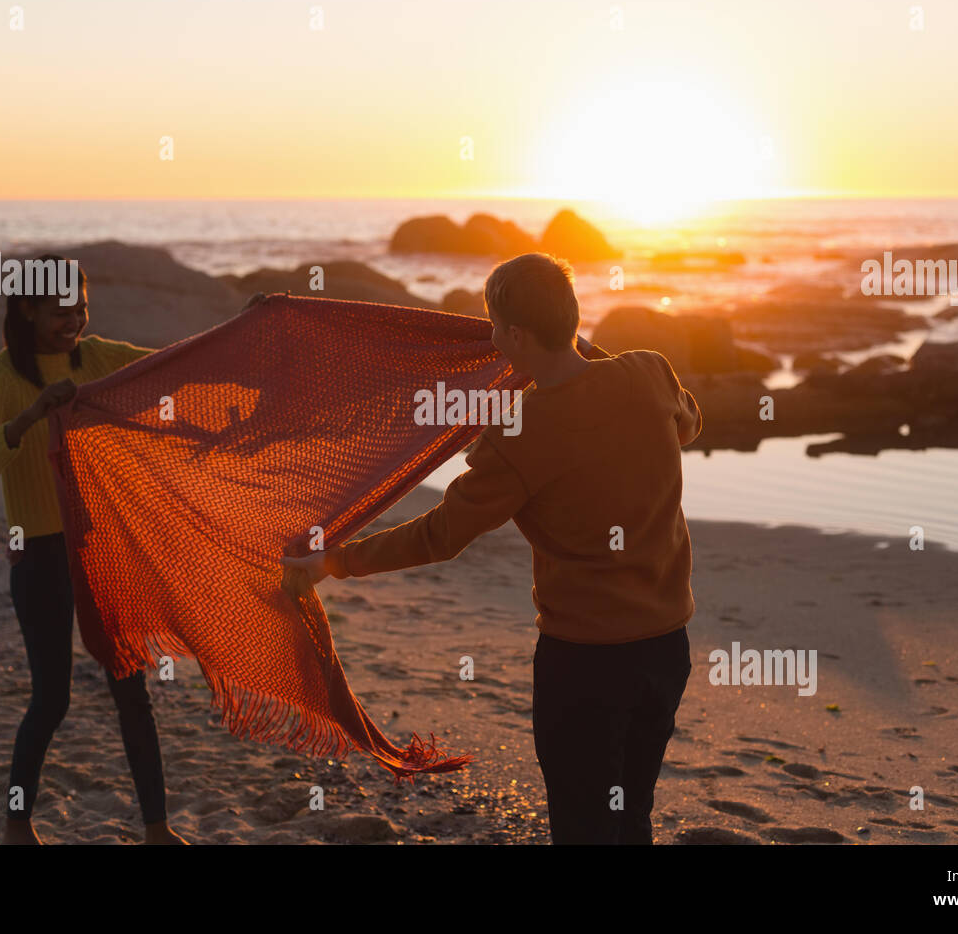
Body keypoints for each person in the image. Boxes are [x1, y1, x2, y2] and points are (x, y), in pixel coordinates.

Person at [283, 252, 702, 844]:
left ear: (515, 334)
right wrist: (584, 357)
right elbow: (688, 426)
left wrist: (332, 562)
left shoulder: (520, 433)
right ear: (573, 316)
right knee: (630, 814)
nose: (494, 342)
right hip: (666, 649)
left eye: (496, 330)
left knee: (584, 827)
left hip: (586, 663)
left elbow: (439, 536)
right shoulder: (649, 372)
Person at [0, 255, 186, 844]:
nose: (75, 319)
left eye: (82, 305)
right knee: (51, 700)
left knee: (132, 694)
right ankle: (17, 824)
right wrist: (33, 414)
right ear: (28, 309)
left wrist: (242, 333)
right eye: (62, 309)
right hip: (37, 558)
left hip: (100, 550)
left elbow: (173, 369)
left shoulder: (101, 358)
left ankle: (158, 830)